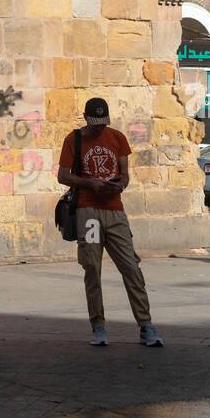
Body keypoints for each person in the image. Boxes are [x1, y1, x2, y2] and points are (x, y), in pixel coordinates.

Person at [56, 97, 163, 348]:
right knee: (92, 267)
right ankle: (98, 326)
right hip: (88, 212)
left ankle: (146, 325)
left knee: (131, 267)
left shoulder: (117, 138)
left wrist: (120, 183)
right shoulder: (74, 140)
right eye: (95, 123)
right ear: (85, 118)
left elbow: (125, 174)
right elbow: (62, 175)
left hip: (115, 211)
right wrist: (89, 183)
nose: (99, 128)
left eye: (103, 123)